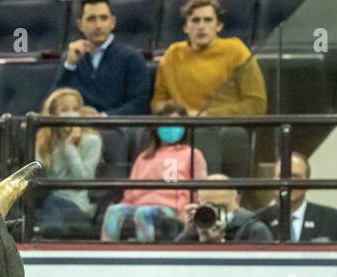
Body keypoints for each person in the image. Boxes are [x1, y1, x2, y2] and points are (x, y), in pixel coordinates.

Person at [100, 101, 206, 242]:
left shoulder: (192, 154)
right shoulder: (143, 157)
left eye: (176, 124)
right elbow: (130, 193)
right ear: (156, 127)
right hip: (138, 206)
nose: (171, 128)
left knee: (144, 214)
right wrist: (124, 206)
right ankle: (107, 258)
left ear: (184, 128)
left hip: (171, 209)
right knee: (113, 211)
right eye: (166, 123)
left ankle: (146, 257)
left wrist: (186, 211)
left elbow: (201, 191)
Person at [152, 0, 265, 117]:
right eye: (195, 20)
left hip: (224, 128)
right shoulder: (172, 54)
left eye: (208, 20)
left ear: (219, 26)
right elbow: (157, 102)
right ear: (186, 27)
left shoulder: (237, 51)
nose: (201, 26)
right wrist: (168, 111)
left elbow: (256, 105)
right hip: (181, 129)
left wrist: (206, 115)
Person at [52, 0, 150, 116]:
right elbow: (53, 102)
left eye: (103, 18)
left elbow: (139, 105)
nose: (98, 26)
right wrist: (69, 65)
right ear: (80, 25)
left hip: (116, 129)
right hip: (76, 127)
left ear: (112, 22)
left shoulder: (132, 58)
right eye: (91, 19)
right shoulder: (72, 57)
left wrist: (102, 117)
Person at [35, 87, 101, 237]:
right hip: (51, 202)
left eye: (75, 109)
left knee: (55, 206)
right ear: (53, 114)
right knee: (52, 202)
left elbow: (83, 180)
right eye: (65, 109)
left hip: (77, 204)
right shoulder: (43, 140)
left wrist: (70, 146)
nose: (71, 113)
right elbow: (39, 176)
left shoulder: (92, 140)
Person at [255, 151, 337, 242]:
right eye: (283, 176)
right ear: (273, 181)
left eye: (296, 177)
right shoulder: (256, 220)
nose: (289, 183)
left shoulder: (334, 220)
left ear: (308, 182)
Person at [177, 173, 272, 242]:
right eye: (210, 206)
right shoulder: (196, 228)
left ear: (237, 201)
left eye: (222, 207)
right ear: (198, 202)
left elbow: (259, 267)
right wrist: (189, 234)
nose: (216, 212)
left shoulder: (254, 230)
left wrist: (220, 244)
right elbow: (174, 266)